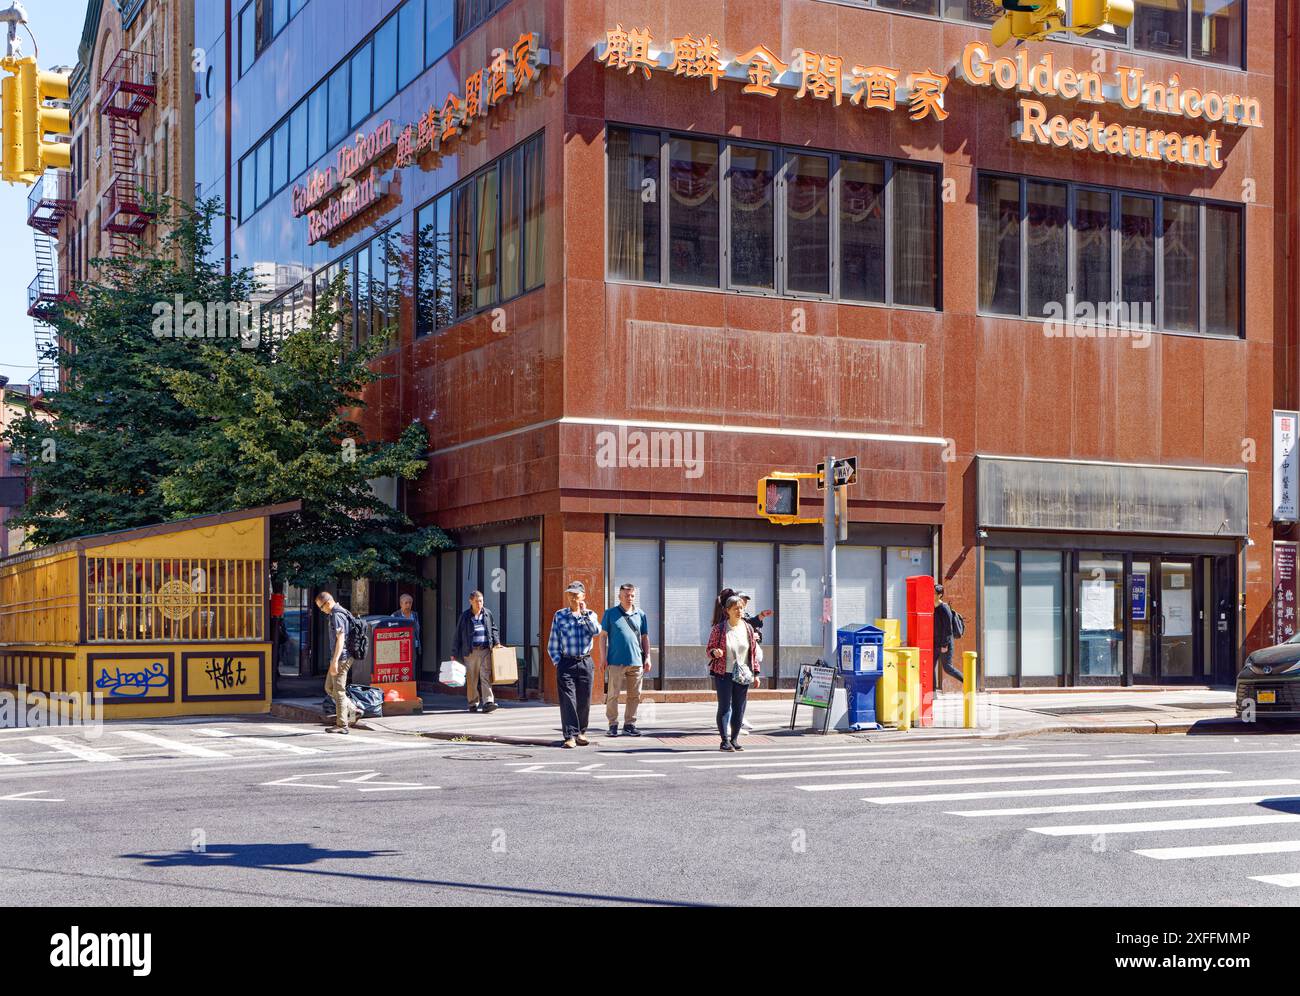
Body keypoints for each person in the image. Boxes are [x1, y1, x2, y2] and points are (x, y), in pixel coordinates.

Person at [546, 580, 602, 748]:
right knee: (568, 700)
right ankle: (570, 736)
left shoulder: (590, 615)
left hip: (585, 661)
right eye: (570, 594)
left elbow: (597, 631)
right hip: (566, 663)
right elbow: (553, 640)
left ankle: (581, 733)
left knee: (584, 700)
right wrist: (558, 662)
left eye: (576, 595)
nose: (572, 597)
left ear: (583, 596)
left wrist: (584, 614)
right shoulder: (560, 615)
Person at [707, 593, 761, 752]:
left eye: (741, 608)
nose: (739, 611)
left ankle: (734, 739)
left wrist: (756, 674)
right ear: (728, 611)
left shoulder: (748, 628)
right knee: (724, 707)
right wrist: (714, 652)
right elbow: (709, 649)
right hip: (724, 673)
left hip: (743, 674)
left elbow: (752, 652)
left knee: (740, 708)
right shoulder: (720, 628)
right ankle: (724, 741)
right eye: (736, 608)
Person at [601, 582, 651, 737]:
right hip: (616, 661)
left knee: (634, 695)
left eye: (632, 595)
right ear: (619, 597)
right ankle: (613, 725)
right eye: (626, 595)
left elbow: (645, 637)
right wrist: (603, 657)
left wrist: (648, 657)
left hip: (636, 661)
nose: (629, 598)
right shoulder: (610, 613)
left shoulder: (641, 614)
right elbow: (603, 637)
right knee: (613, 695)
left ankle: (629, 724)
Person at [315, 591, 359, 734]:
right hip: (338, 657)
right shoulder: (339, 612)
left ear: (327, 603)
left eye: (321, 607)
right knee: (329, 688)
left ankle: (342, 725)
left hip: (341, 657)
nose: (322, 611)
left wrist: (335, 661)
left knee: (339, 691)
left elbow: (341, 640)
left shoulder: (337, 615)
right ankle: (353, 709)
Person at [452, 590, 502, 713]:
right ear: (471, 602)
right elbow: (458, 634)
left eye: (481, 601)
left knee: (486, 676)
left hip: (485, 649)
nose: (479, 603)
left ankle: (488, 702)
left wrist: (497, 642)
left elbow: (494, 628)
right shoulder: (465, 616)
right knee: (472, 679)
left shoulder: (487, 613)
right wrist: (454, 653)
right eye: (476, 601)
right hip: (470, 652)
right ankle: (473, 703)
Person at [933, 583, 964, 685]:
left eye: (933, 593)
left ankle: (967, 682)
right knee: (930, 667)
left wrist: (944, 645)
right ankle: (933, 693)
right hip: (935, 642)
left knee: (948, 668)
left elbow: (948, 629)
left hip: (945, 643)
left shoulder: (944, 608)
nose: (931, 595)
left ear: (940, 595)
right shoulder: (932, 607)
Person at [391, 593, 422, 658]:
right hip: (400, 647)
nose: (408, 605)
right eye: (406, 603)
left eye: (410, 603)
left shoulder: (415, 615)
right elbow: (392, 632)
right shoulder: (394, 616)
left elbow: (417, 630)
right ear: (401, 604)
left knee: (413, 666)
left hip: (414, 646)